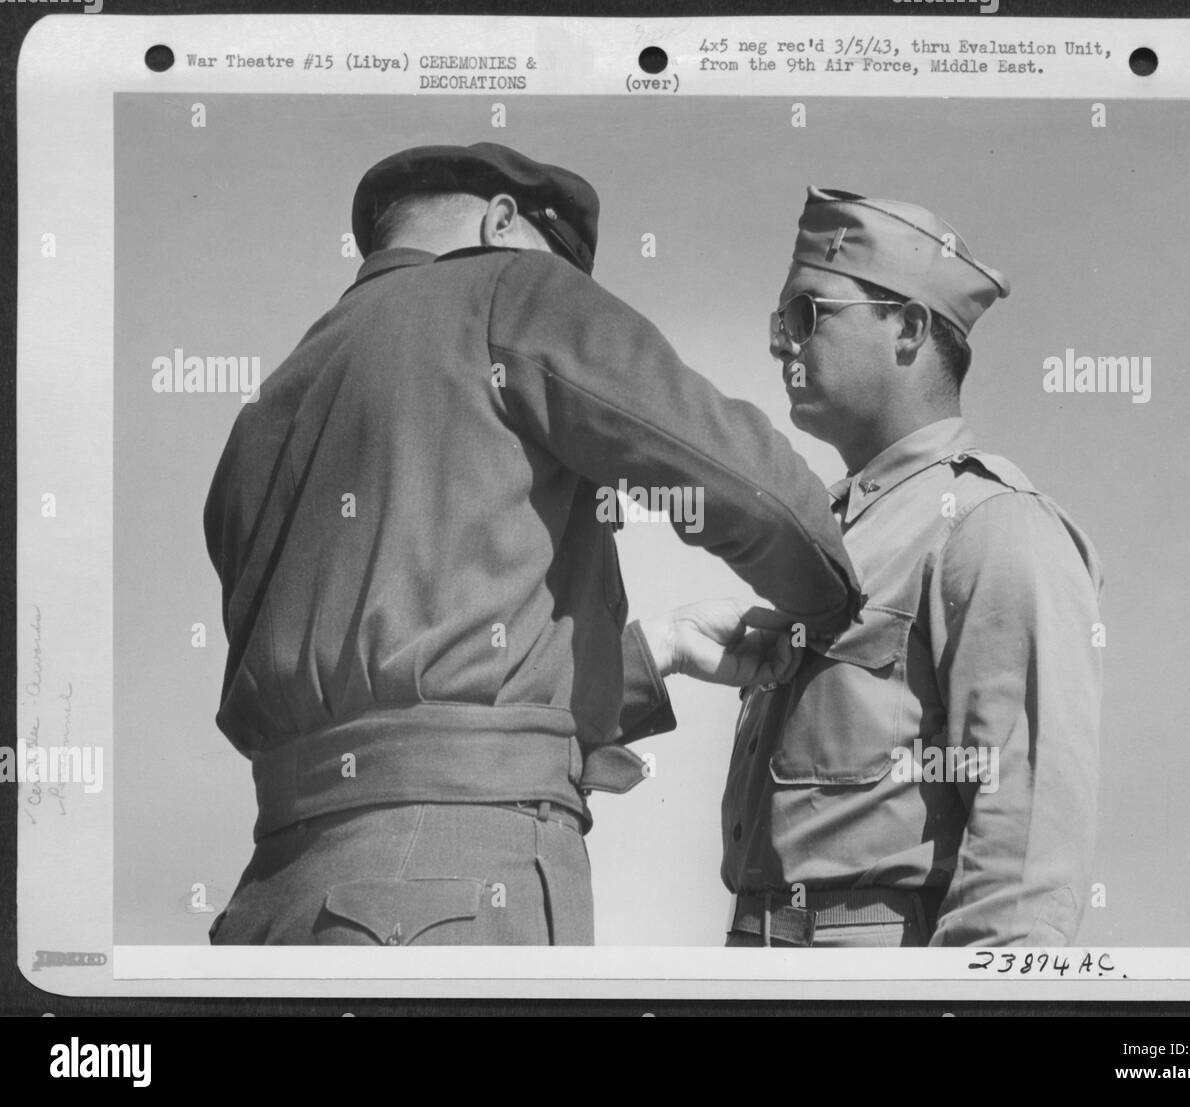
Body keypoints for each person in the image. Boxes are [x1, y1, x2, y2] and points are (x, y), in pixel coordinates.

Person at [202, 145, 860, 946]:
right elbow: (750, 487)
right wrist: (836, 594)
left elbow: (412, 671)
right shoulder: (508, 286)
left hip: (271, 904)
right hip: (453, 886)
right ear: (503, 222)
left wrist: (657, 651)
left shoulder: (269, 406)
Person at [627, 189, 1104, 947]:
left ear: (909, 327)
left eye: (806, 315)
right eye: (779, 323)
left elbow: (1027, 841)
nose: (783, 342)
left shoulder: (990, 523)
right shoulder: (831, 526)